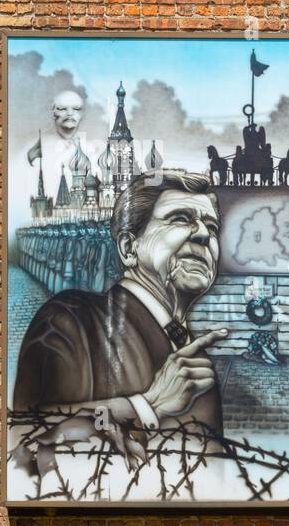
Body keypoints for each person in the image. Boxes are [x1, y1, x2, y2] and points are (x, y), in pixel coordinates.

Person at [13, 170, 229, 445]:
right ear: (128, 248)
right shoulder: (72, 322)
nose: (203, 235)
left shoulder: (190, 348)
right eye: (180, 219)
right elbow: (25, 443)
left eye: (212, 228)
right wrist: (148, 406)